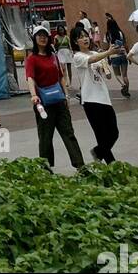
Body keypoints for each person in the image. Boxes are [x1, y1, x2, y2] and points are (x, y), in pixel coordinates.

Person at [25, 27, 84, 170]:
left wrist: (66, 95)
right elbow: (30, 78)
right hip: (43, 103)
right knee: (46, 137)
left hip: (59, 100)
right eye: (39, 35)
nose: (43, 38)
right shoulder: (32, 58)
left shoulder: (53, 56)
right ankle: (46, 168)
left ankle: (80, 166)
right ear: (35, 39)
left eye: (45, 35)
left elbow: (61, 77)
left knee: (68, 133)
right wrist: (34, 95)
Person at [72, 30, 119, 163]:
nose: (85, 39)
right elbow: (92, 60)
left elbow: (106, 72)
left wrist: (107, 69)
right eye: (81, 37)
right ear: (76, 42)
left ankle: (97, 153)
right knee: (101, 135)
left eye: (86, 36)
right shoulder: (78, 56)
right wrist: (108, 52)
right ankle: (112, 164)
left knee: (114, 133)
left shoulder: (96, 53)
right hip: (90, 100)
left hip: (104, 98)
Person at [107, 25, 130, 98]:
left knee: (117, 74)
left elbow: (108, 46)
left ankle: (123, 85)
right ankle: (127, 91)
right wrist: (128, 55)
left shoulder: (108, 34)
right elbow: (125, 44)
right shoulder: (121, 33)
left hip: (114, 56)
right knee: (125, 75)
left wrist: (108, 58)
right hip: (123, 55)